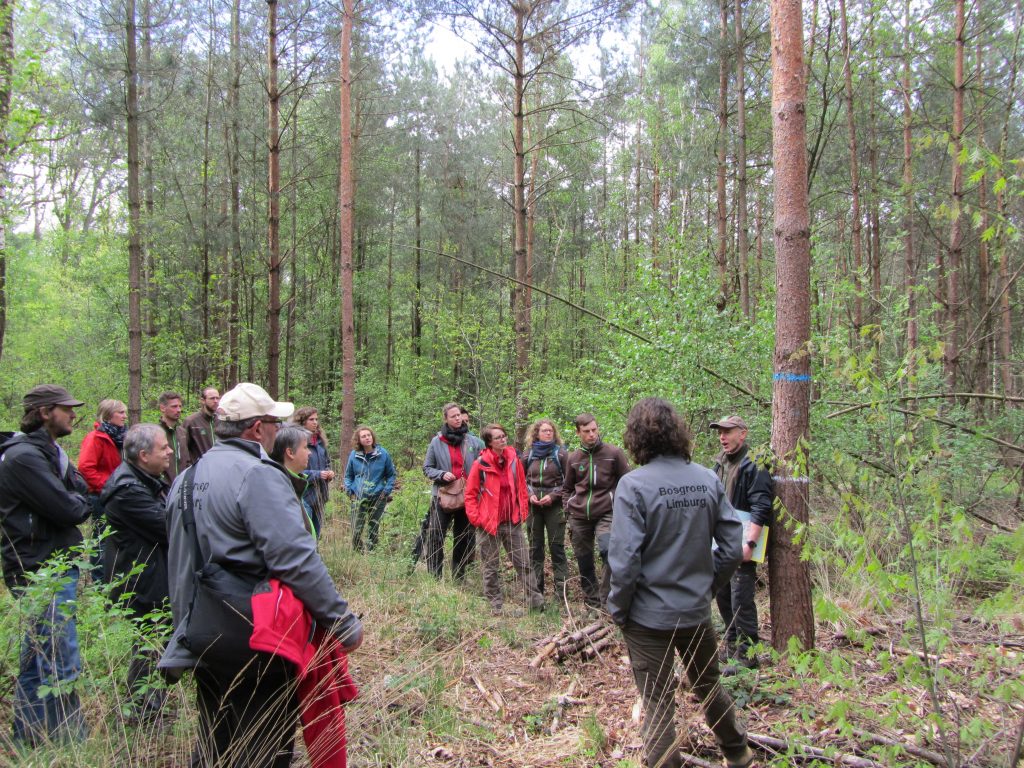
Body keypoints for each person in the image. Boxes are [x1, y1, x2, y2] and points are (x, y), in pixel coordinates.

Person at [160, 383, 363, 768]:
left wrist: (182, 630)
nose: (278, 428)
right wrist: (341, 622)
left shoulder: (184, 480)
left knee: (215, 743)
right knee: (264, 748)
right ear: (257, 429)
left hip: (200, 632)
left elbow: (179, 563)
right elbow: (295, 558)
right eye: (274, 421)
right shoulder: (259, 474)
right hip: (256, 635)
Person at [608, 398, 754, 768]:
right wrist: (706, 589)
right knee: (709, 686)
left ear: (636, 437)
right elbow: (732, 547)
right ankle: (738, 753)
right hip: (694, 611)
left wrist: (619, 608)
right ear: (678, 433)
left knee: (657, 702)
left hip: (647, 618)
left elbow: (624, 561)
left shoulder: (633, 485)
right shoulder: (706, 478)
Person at [0, 384, 91, 745]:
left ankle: (27, 740)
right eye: (65, 408)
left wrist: (76, 498)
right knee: (59, 657)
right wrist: (77, 501)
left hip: (51, 563)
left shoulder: (49, 452)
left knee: (38, 657)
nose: (72, 414)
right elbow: (71, 507)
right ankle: (70, 740)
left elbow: (81, 489)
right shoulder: (23, 457)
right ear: (43, 412)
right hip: (41, 568)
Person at [101, 423, 173, 722]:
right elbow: (167, 527)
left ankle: (150, 704)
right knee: (149, 642)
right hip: (141, 579)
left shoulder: (145, 480)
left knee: (157, 640)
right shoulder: (127, 489)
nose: (170, 451)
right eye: (163, 447)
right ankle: (141, 709)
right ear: (144, 455)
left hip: (150, 572)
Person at [710, 414, 774, 669]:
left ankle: (748, 655)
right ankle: (733, 646)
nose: (722, 437)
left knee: (741, 597)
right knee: (723, 595)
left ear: (743, 433)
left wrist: (750, 543)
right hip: (721, 540)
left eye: (728, 431)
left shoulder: (754, 464)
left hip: (743, 538)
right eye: (720, 432)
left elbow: (761, 505)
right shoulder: (720, 463)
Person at [464, 423, 543, 615]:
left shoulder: (514, 460)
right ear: (489, 442)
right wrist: (477, 519)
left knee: (523, 563)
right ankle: (495, 605)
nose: (503, 439)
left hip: (512, 522)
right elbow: (470, 495)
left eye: (503, 436)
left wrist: (523, 512)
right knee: (491, 566)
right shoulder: (480, 465)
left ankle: (536, 603)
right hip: (488, 525)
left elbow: (522, 487)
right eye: (498, 437)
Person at [561, 413, 630, 610]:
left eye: (594, 429)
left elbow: (627, 481)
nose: (592, 434)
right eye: (586, 431)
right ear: (578, 433)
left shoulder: (613, 453)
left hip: (607, 512)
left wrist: (617, 501)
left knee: (609, 551)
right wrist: (568, 508)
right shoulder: (573, 457)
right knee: (584, 558)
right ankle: (592, 601)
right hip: (579, 515)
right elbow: (567, 487)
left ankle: (607, 598)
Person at [422, 402, 483, 581]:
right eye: (453, 416)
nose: (458, 419)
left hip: (467, 496)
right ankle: (434, 576)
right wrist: (441, 474)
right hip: (443, 495)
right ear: (446, 419)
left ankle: (459, 576)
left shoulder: (472, 441)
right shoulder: (437, 441)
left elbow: (484, 465)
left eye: (459, 415)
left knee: (463, 537)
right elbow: (427, 468)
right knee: (436, 535)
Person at [78, 398, 127, 578]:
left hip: (120, 495)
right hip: (101, 497)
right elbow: (85, 468)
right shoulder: (96, 438)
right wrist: (107, 487)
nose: (125, 416)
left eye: (124, 412)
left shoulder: (122, 436)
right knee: (102, 541)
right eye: (120, 412)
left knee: (118, 538)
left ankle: (117, 578)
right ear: (108, 415)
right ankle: (100, 583)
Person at [523, 419, 569, 604]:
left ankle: (561, 593)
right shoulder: (528, 455)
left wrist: (554, 495)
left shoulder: (562, 455)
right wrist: (529, 495)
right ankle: (536, 592)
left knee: (557, 548)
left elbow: (569, 482)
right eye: (544, 431)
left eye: (550, 430)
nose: (548, 433)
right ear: (536, 433)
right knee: (535, 549)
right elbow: (522, 479)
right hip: (533, 507)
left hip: (554, 506)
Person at [344, 425, 396, 552]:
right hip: (358, 497)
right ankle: (358, 552)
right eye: (363, 436)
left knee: (373, 528)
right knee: (356, 529)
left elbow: (391, 475)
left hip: (378, 496)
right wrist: (350, 490)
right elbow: (348, 476)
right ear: (358, 440)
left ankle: (372, 553)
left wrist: (386, 491)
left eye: (369, 435)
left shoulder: (382, 454)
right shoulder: (354, 455)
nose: (367, 438)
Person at [292, 407, 335, 536]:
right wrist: (317, 474)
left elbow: (326, 462)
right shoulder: (296, 441)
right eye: (311, 419)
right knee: (306, 533)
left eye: (316, 419)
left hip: (320, 495)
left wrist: (329, 473)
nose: (315, 422)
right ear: (302, 421)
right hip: (305, 495)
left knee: (316, 533)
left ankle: (314, 555)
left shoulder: (320, 442)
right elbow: (294, 470)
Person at [270, 424, 317, 536]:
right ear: (290, 453)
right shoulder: (279, 489)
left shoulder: (292, 482)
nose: (309, 452)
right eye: (305, 447)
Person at [157, 391, 189, 483]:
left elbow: (187, 460)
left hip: (183, 487)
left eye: (180, 406)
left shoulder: (182, 432)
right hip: (163, 489)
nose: (178, 410)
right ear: (163, 408)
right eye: (174, 406)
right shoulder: (155, 433)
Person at [182, 386, 220, 463]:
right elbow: (183, 449)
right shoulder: (191, 421)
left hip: (219, 468)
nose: (216, 401)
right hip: (199, 470)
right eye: (212, 398)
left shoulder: (221, 420)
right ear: (203, 400)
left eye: (217, 398)